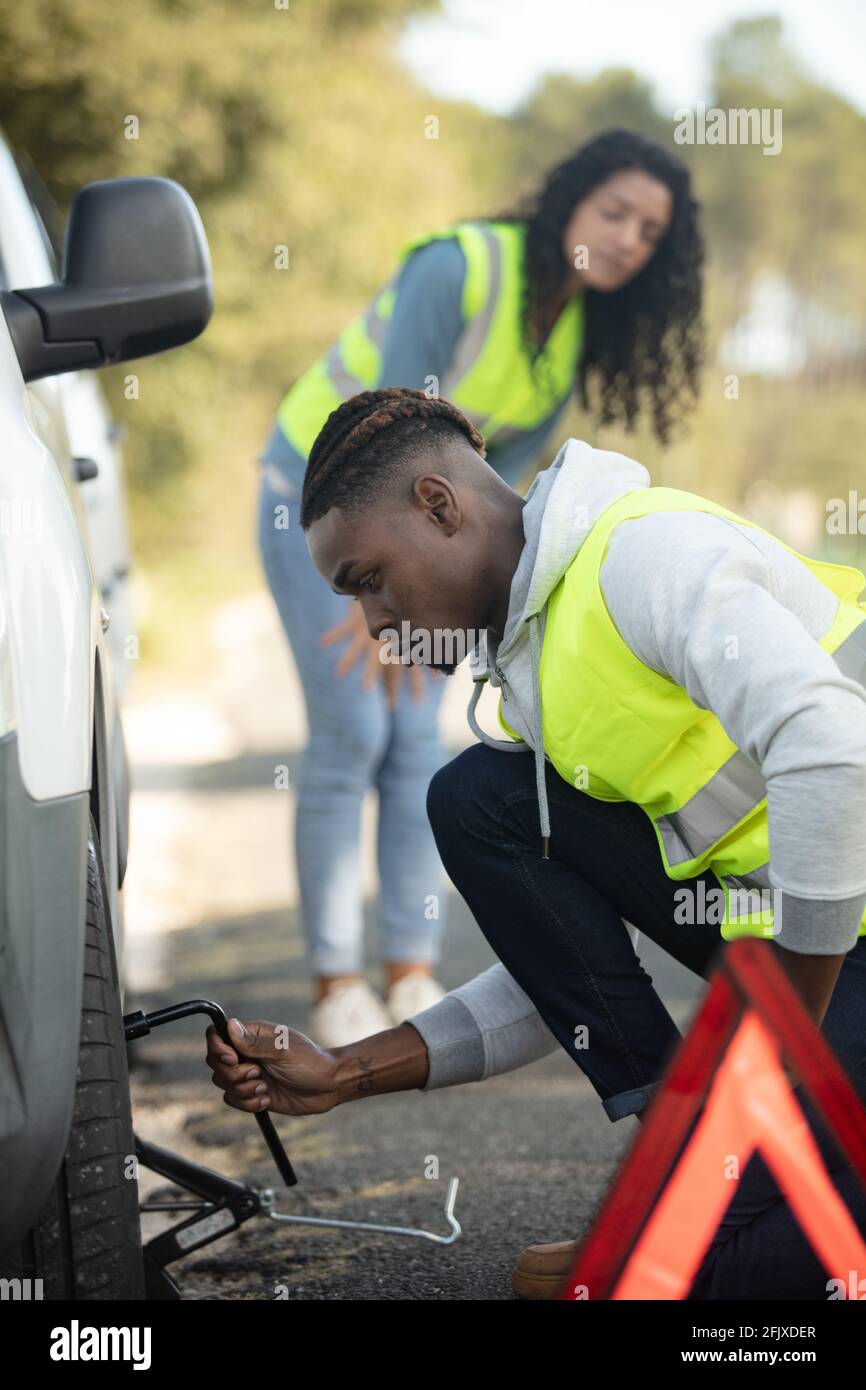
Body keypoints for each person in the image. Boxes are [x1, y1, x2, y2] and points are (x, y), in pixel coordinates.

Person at [213, 388, 866, 1300]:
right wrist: (345, 1072)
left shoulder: (639, 557)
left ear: (438, 506)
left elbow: (834, 747)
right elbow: (570, 972)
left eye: (367, 579)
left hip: (824, 944)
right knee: (479, 800)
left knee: (719, 1275)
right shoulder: (535, 669)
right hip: (809, 944)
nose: (371, 623)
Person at [257, 128, 704, 1047]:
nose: (627, 238)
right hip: (322, 514)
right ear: (569, 201)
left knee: (415, 738)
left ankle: (409, 968)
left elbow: (496, 476)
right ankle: (337, 980)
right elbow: (372, 432)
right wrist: (362, 597)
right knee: (352, 730)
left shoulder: (577, 331)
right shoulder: (463, 268)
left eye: (649, 231)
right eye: (614, 211)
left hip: (423, 537)